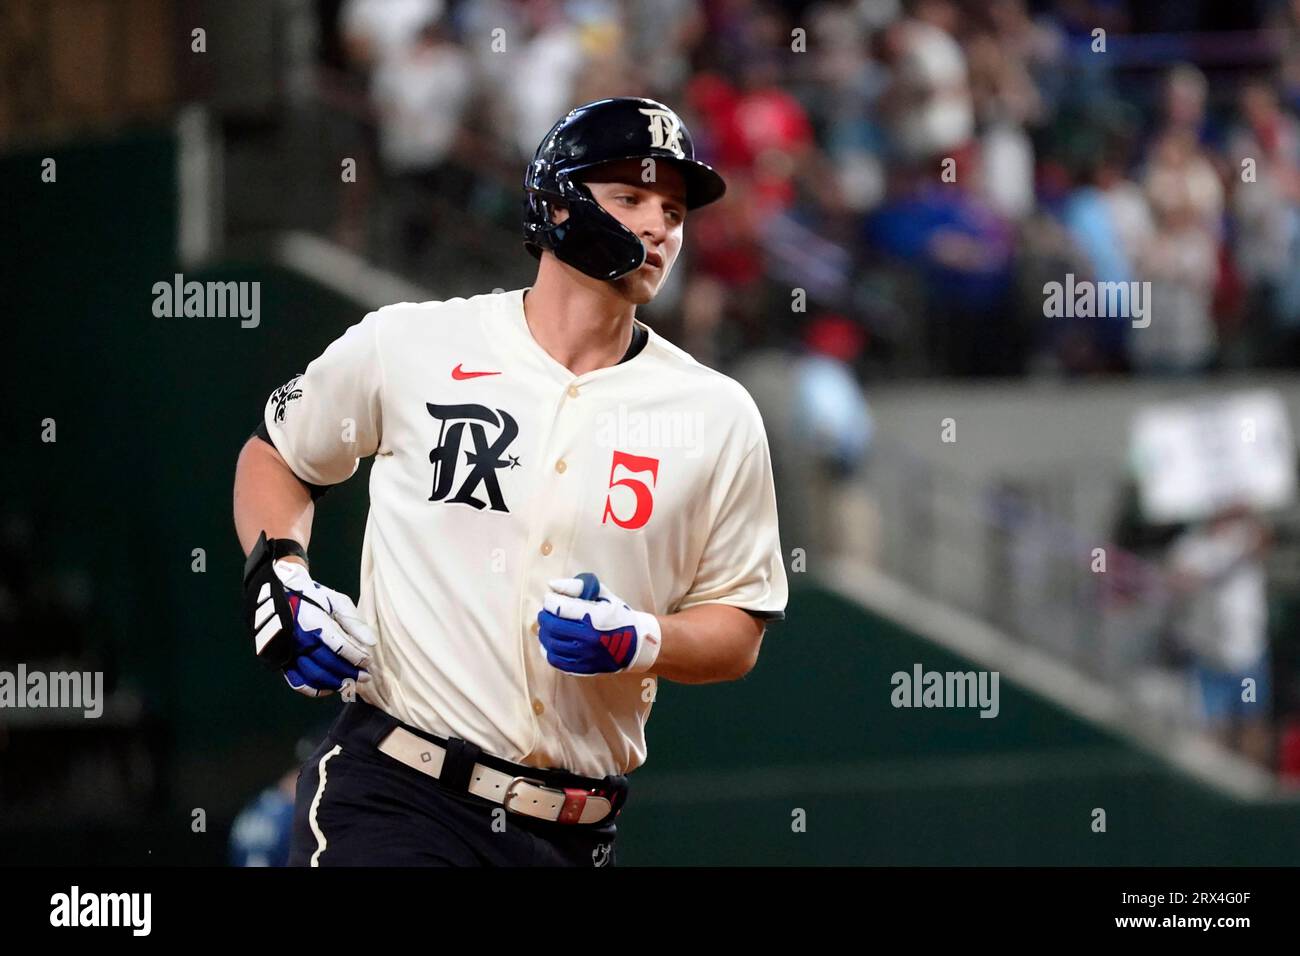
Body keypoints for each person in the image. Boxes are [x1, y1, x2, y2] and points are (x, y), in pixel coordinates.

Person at [231, 98, 789, 866]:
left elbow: (739, 627)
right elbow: (278, 453)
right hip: (397, 794)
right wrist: (280, 575)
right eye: (630, 198)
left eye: (674, 208)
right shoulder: (414, 343)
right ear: (556, 201)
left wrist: (642, 638)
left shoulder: (716, 413)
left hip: (572, 830)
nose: (660, 226)